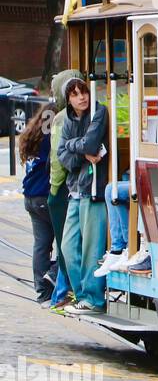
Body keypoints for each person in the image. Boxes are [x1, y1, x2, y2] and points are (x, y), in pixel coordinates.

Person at [58, 75, 109, 317]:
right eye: (76, 94)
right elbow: (63, 156)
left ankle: (93, 298)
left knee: (92, 246)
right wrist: (78, 150)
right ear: (68, 99)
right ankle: (81, 295)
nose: (82, 97)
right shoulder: (69, 120)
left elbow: (91, 145)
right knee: (68, 247)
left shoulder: (98, 112)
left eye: (84, 92)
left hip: (93, 189)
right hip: (75, 190)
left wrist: (73, 146)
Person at [46, 69, 81, 312]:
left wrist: (54, 189)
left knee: (64, 244)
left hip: (64, 190)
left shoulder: (60, 119)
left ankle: (62, 294)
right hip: (74, 187)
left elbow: (57, 160)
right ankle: (60, 293)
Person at [18, 105, 57, 303]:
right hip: (44, 196)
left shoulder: (31, 136)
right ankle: (54, 274)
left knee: (41, 244)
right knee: (67, 239)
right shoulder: (49, 137)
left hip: (30, 198)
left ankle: (42, 291)